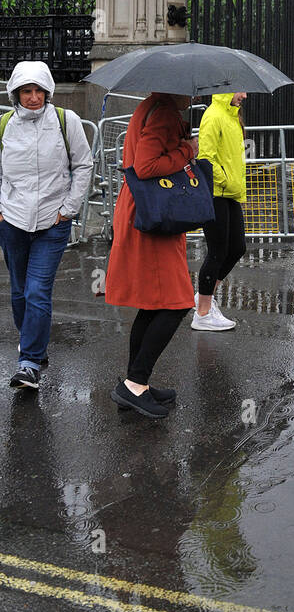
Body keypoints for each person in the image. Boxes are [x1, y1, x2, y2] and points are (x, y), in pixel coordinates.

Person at [0, 61, 93, 389]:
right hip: (12, 222)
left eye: (40, 90)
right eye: (27, 90)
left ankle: (28, 362)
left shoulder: (67, 122)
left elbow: (84, 164)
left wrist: (68, 210)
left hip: (52, 222)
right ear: (16, 93)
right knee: (19, 292)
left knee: (37, 290)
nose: (34, 97)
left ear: (49, 91)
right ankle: (33, 344)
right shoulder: (4, 125)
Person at [105, 92, 198, 418]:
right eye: (192, 89)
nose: (196, 95)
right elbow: (145, 166)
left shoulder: (155, 106)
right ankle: (134, 383)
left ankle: (136, 384)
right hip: (150, 215)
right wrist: (187, 150)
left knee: (153, 302)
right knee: (178, 302)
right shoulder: (163, 112)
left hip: (142, 211)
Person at [192, 92, 247, 332]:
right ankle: (202, 312)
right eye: (240, 90)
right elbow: (206, 157)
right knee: (217, 251)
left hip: (230, 192)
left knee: (237, 248)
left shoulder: (230, 116)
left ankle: (205, 296)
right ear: (227, 90)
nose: (244, 95)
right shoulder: (213, 116)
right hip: (217, 193)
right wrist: (224, 181)